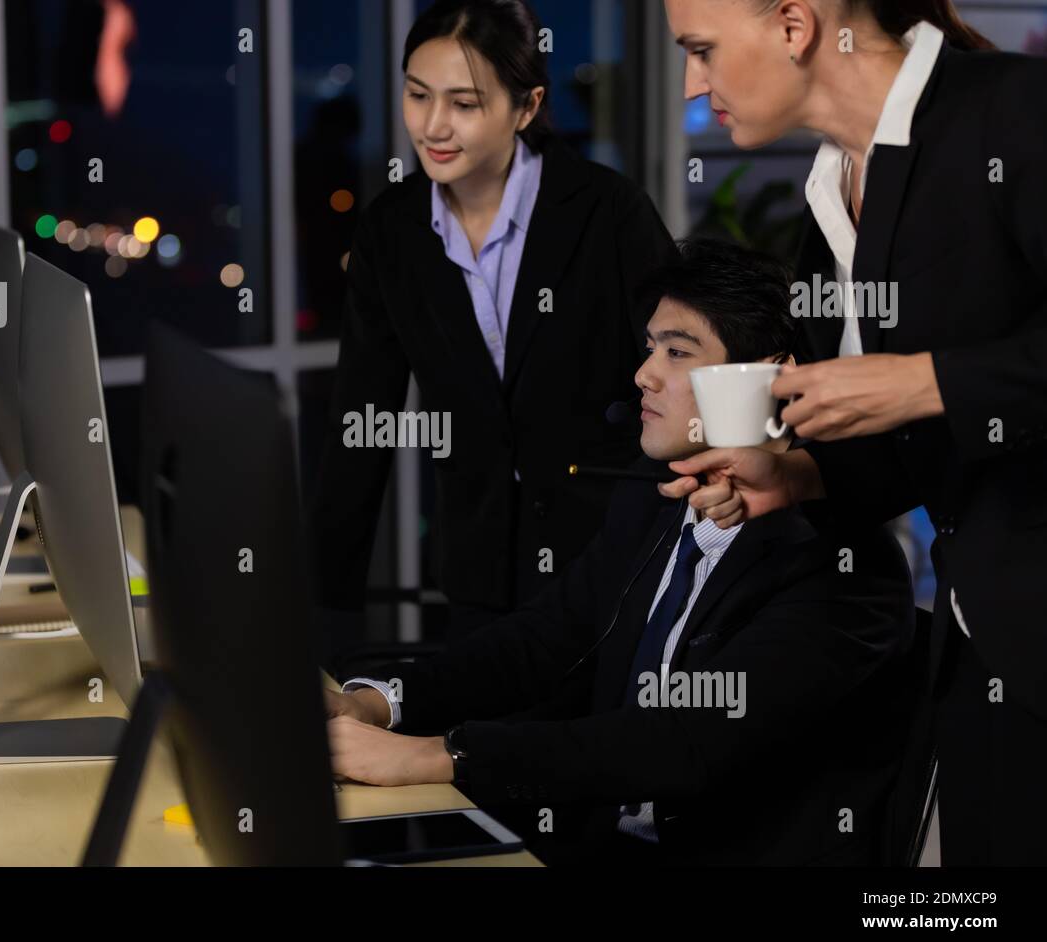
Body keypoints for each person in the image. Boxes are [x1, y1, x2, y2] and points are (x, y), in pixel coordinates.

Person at [324, 240, 920, 866]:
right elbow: (542, 640)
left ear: (768, 379)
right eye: (650, 347)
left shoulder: (844, 568)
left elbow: (683, 742)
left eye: (677, 352)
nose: (645, 374)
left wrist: (435, 756)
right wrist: (377, 702)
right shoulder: (658, 498)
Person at [658, 0, 1047, 865]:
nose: (693, 82)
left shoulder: (1015, 109)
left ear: (795, 25)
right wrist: (798, 477)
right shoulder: (833, 192)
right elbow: (927, 449)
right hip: (978, 645)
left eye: (701, 50)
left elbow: (934, 396)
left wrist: (924, 379)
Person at [310, 0, 677, 649]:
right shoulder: (391, 231)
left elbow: (682, 368)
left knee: (590, 747)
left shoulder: (608, 212)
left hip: (614, 564)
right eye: (418, 95)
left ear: (527, 107)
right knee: (484, 742)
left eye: (465, 103)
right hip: (479, 574)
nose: (433, 126)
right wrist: (322, 606)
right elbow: (362, 418)